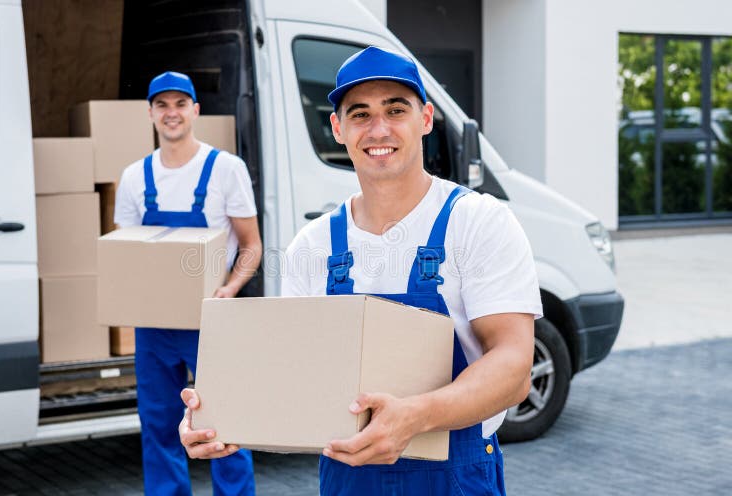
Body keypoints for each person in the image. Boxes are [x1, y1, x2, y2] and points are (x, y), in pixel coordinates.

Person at [178, 47, 542, 494]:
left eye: (396, 110)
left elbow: (513, 367)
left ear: (426, 119)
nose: (379, 129)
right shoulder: (313, 245)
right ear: (338, 128)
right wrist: (220, 417)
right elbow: (294, 375)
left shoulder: (477, 222)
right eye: (361, 114)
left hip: (455, 477)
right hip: (347, 478)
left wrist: (416, 417)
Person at [115, 71, 260, 496]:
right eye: (162, 105)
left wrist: (230, 289)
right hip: (154, 325)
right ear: (150, 113)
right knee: (158, 424)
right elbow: (128, 252)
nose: (171, 113)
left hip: (211, 320)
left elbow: (251, 246)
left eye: (180, 104)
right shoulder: (134, 177)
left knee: (223, 425)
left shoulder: (225, 169)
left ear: (195, 110)